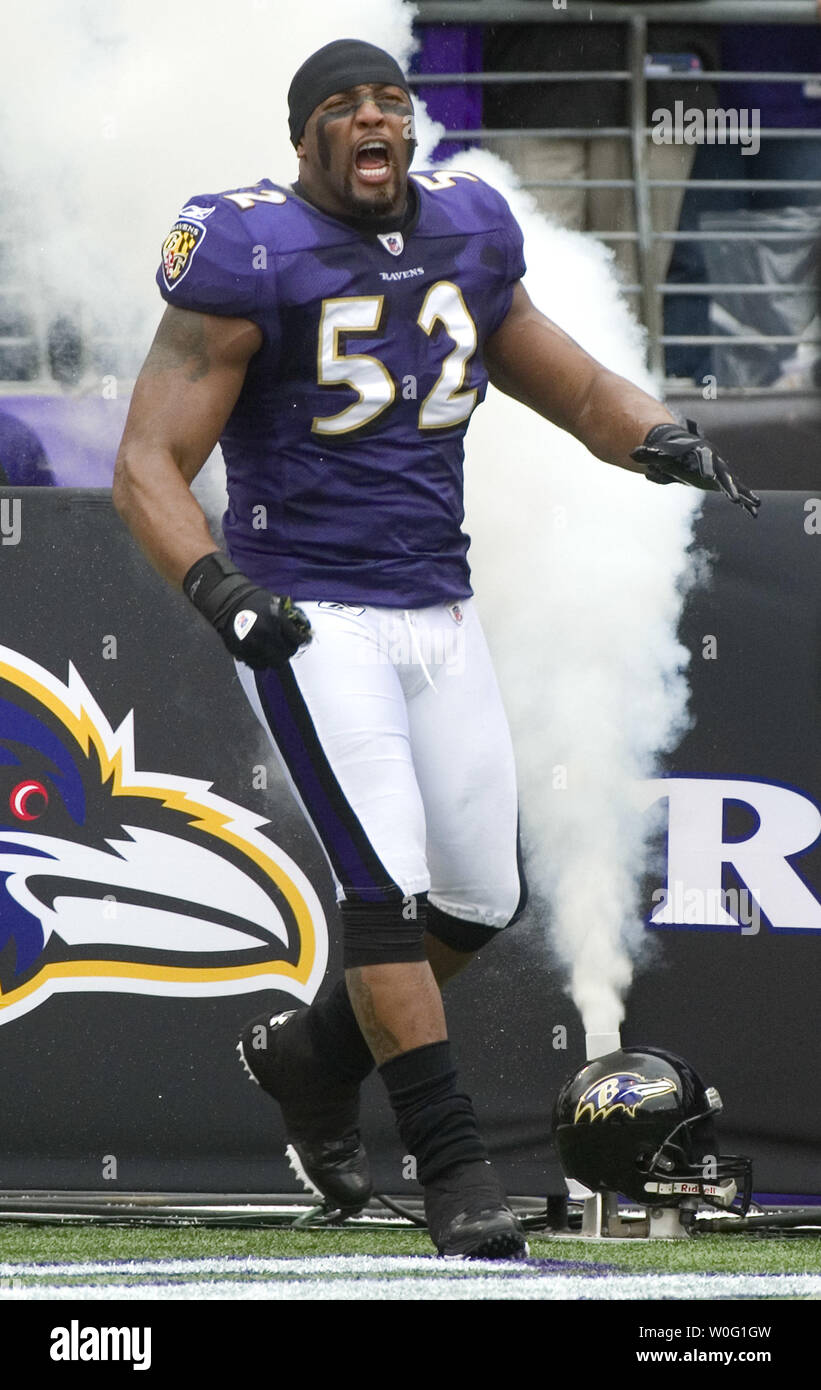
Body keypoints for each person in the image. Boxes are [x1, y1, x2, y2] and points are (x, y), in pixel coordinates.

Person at [112, 39, 759, 1259]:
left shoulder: (468, 227)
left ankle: (310, 1058)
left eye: (392, 105)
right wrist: (222, 590)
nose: (376, 124)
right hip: (311, 615)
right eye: (347, 109)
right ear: (302, 134)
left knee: (479, 894)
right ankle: (452, 1165)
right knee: (384, 895)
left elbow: (560, 381)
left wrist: (655, 435)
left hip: (434, 607)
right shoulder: (248, 250)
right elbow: (146, 461)